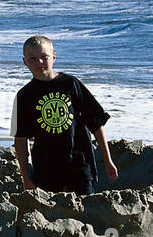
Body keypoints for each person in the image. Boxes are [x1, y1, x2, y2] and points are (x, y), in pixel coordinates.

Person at [12, 35, 118, 195]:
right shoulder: (24, 95)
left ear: (53, 57)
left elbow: (96, 123)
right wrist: (26, 176)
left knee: (85, 211)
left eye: (44, 57)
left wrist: (108, 160)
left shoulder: (71, 84)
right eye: (32, 58)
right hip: (45, 168)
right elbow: (21, 139)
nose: (39, 62)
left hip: (79, 163)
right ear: (24, 62)